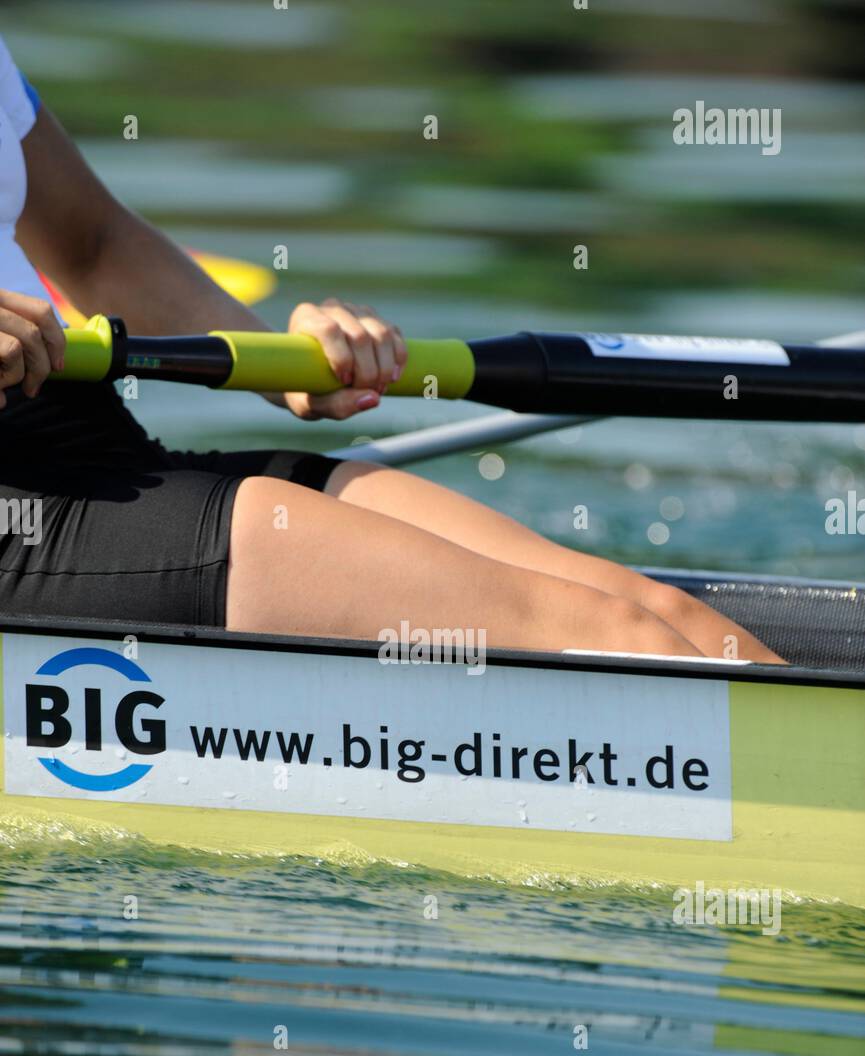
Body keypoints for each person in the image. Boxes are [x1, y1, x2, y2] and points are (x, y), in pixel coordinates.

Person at [0, 37, 780, 663]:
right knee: (618, 641)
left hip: (88, 434)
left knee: (659, 617)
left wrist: (282, 363)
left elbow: (96, 246)